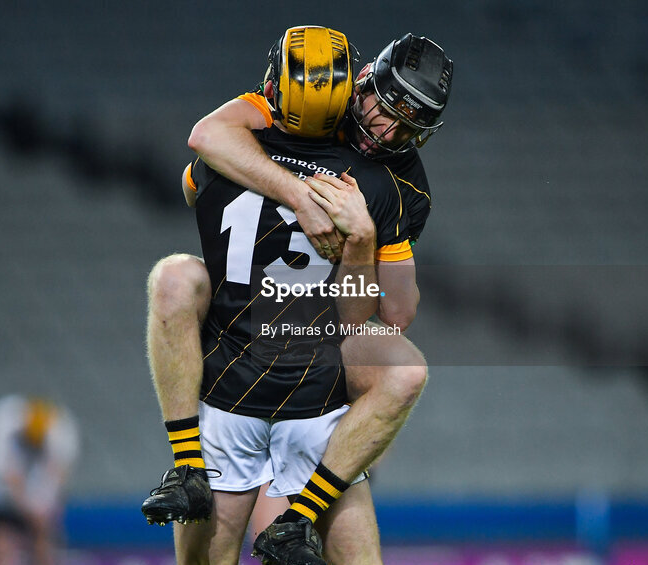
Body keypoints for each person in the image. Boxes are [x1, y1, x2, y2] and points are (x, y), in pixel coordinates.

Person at [143, 28, 452, 565]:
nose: (388, 130)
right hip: (249, 351)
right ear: (362, 81)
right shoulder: (297, 113)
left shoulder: (392, 180)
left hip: (318, 355)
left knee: (402, 367)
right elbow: (205, 139)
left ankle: (294, 512)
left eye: (408, 125)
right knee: (175, 277)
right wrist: (301, 198)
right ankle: (191, 465)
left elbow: (387, 316)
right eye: (386, 107)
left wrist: (361, 242)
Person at [0, 395, 79, 565]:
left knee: (44, 536)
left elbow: (57, 473)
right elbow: (9, 476)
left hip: (32, 491)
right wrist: (29, 509)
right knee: (2, 537)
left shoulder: (59, 430)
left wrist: (43, 510)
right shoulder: (1, 424)